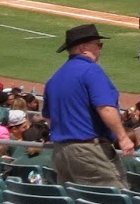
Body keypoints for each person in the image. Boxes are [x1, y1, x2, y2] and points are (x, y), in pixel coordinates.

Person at [44, 23, 133, 188]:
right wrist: (123, 137)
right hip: (88, 150)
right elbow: (106, 108)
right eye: (98, 45)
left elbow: (49, 119)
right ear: (83, 47)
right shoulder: (91, 71)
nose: (100, 49)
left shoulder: (54, 78)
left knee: (77, 202)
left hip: (61, 152)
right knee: (117, 201)